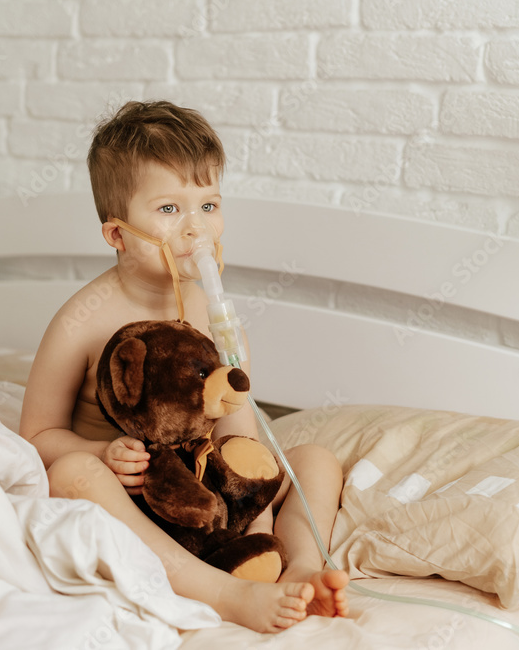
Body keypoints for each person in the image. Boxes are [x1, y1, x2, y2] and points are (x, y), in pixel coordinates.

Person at [19, 100, 349, 633]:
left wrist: (253, 521)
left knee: (315, 460)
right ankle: (223, 592)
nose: (196, 230)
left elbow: (243, 444)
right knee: (72, 476)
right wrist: (100, 452)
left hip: (210, 492)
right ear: (117, 234)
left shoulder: (220, 324)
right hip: (135, 498)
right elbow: (35, 434)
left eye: (209, 205)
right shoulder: (80, 322)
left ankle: (302, 565)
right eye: (170, 209)